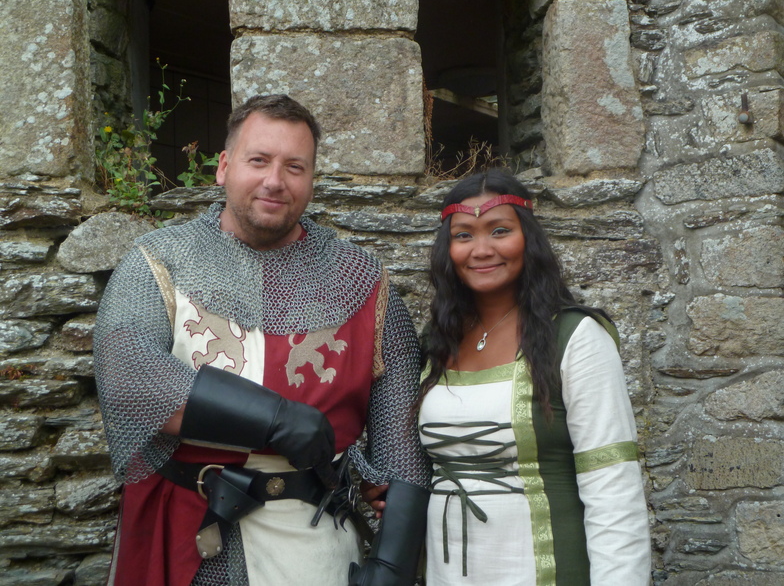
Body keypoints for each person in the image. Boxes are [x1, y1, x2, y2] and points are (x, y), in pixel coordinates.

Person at [94, 94, 430, 586]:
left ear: (312, 180)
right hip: (189, 535)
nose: (275, 181)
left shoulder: (363, 281)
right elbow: (129, 379)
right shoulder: (159, 262)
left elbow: (400, 446)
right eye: (259, 160)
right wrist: (275, 420)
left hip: (313, 544)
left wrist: (393, 565)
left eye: (295, 167)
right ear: (224, 167)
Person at [416, 168, 651, 584]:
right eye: (464, 235)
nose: (482, 249)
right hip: (447, 570)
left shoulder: (577, 337)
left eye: (500, 230)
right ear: (446, 250)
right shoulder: (437, 343)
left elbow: (613, 485)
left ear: (529, 240)